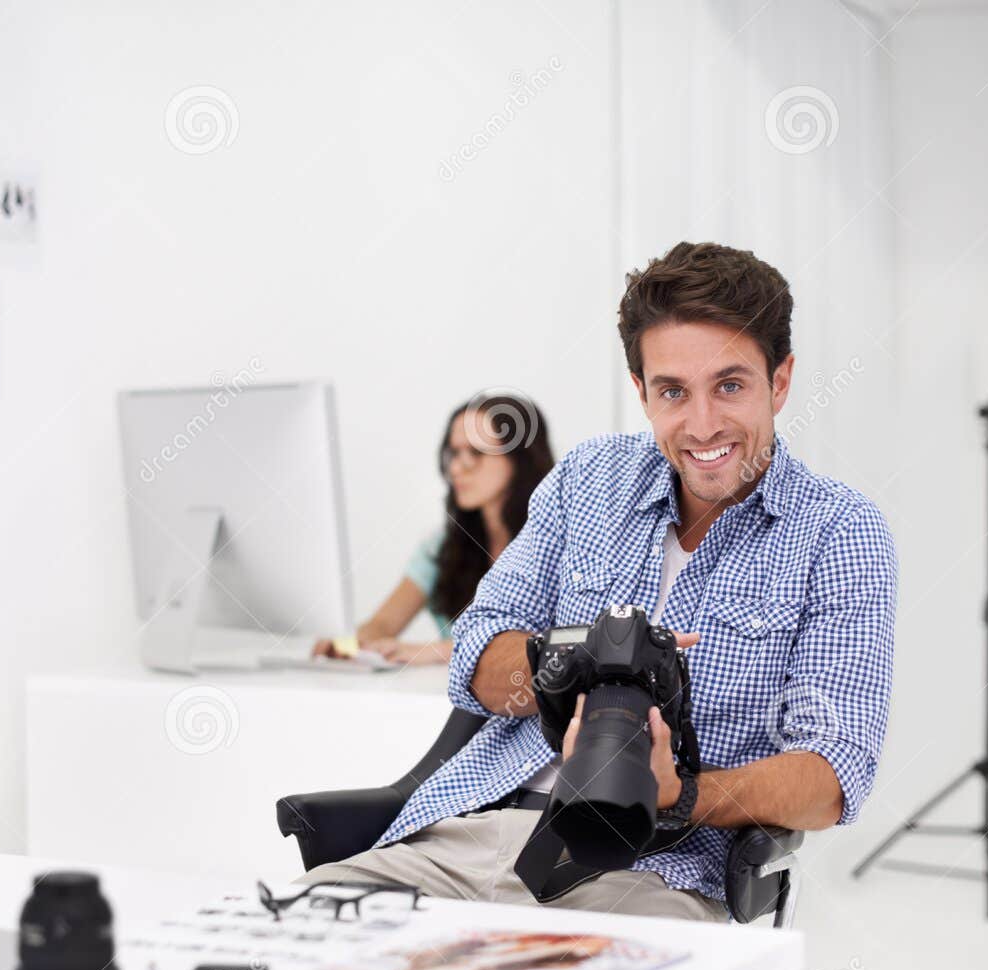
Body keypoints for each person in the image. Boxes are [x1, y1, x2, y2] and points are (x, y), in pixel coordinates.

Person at [299, 242, 898, 923]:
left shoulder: (838, 533)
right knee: (279, 946)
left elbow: (830, 775)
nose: (702, 425)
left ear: (780, 381)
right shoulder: (587, 480)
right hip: (465, 829)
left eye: (730, 385)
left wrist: (678, 792)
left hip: (654, 870)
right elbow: (476, 651)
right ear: (642, 392)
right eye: (672, 391)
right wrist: (569, 661)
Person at [313, 393, 552, 666]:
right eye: (453, 453)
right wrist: (344, 645)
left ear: (519, 460)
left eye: (475, 452)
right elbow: (383, 623)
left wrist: (437, 651)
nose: (456, 468)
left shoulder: (558, 546)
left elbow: (550, 642)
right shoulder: (442, 548)